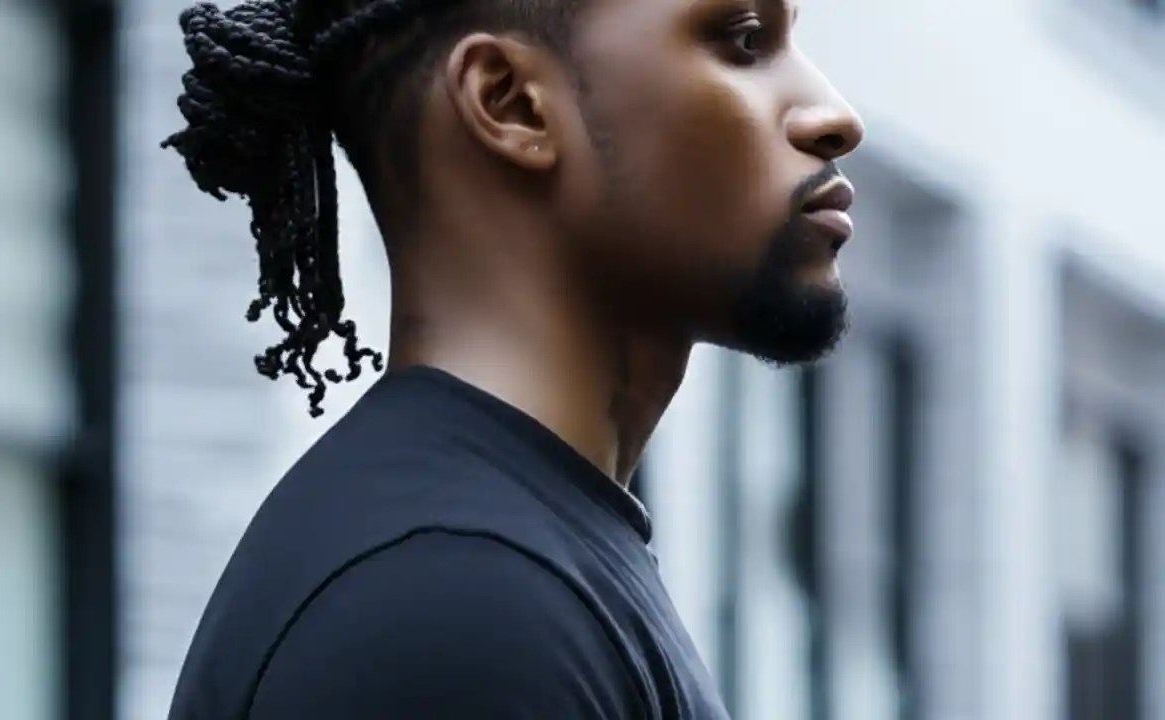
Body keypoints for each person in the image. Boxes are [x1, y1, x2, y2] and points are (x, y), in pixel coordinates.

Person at [162, 0, 863, 716]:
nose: (836, 116)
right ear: (512, 102)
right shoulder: (454, 603)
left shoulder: (495, 562)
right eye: (746, 40)